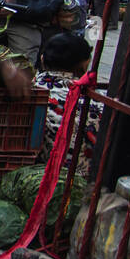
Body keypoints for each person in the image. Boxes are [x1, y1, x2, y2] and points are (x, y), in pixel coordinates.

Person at [34, 32, 101, 175]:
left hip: (34, 174)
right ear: (85, 64)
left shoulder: (29, 91)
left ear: (42, 59)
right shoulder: (96, 104)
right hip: (78, 179)